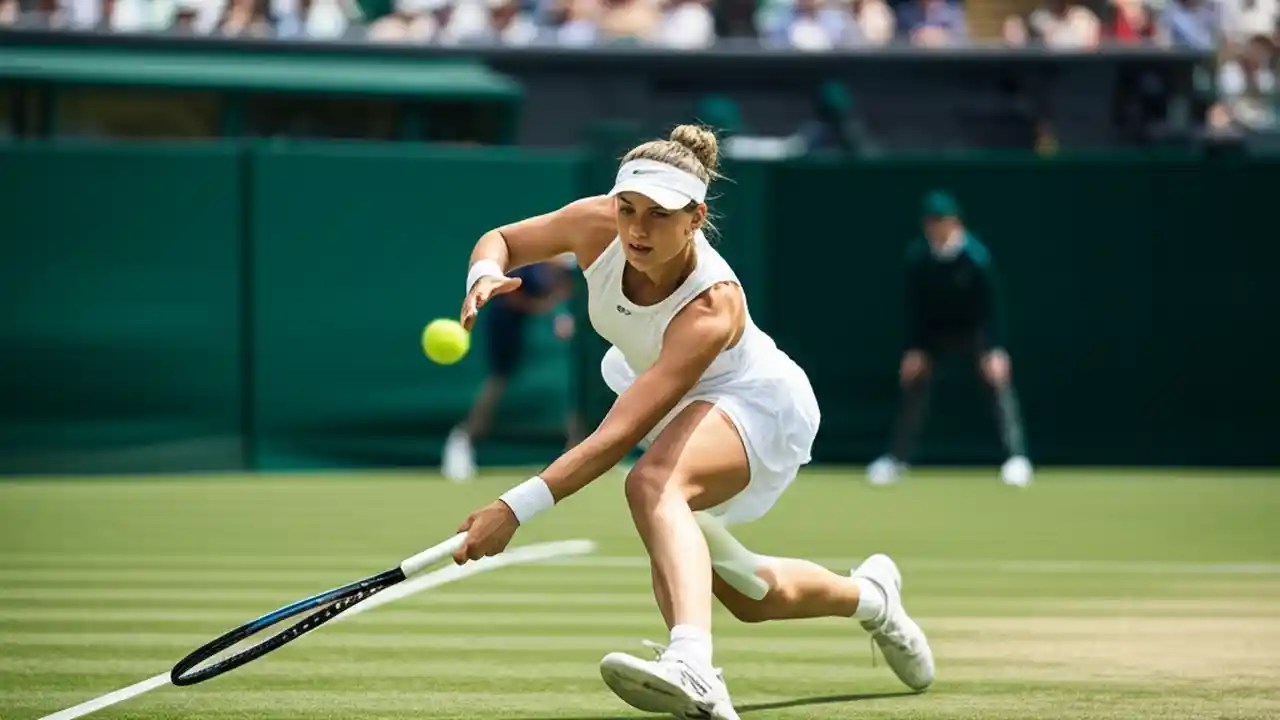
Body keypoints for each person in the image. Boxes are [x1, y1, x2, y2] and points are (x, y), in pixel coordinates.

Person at [447, 125, 935, 719]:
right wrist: (483, 275)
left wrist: (512, 509)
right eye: (628, 209)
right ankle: (874, 600)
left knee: (651, 484)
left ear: (696, 217)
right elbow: (499, 239)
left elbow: (617, 436)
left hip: (755, 403)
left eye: (660, 214)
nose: (636, 229)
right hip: (679, 409)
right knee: (750, 595)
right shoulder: (595, 224)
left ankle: (694, 666)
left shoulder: (711, 306)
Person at [868, 191, 1032, 488]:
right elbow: (915, 310)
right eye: (929, 221)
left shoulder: (976, 258)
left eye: (939, 221)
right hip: (934, 336)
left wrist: (994, 350)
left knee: (997, 385)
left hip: (974, 334)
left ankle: (1016, 458)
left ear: (954, 223)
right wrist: (914, 350)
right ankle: (896, 459)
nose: (934, 227)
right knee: (914, 385)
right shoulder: (919, 260)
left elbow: (991, 309)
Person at [442, 260, 577, 481]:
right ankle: (462, 441)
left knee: (578, 382)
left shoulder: (569, 275)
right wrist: (548, 309)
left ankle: (577, 448)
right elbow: (512, 297)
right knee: (498, 382)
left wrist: (560, 315)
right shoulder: (525, 270)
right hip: (506, 324)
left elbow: (564, 293)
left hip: (536, 325)